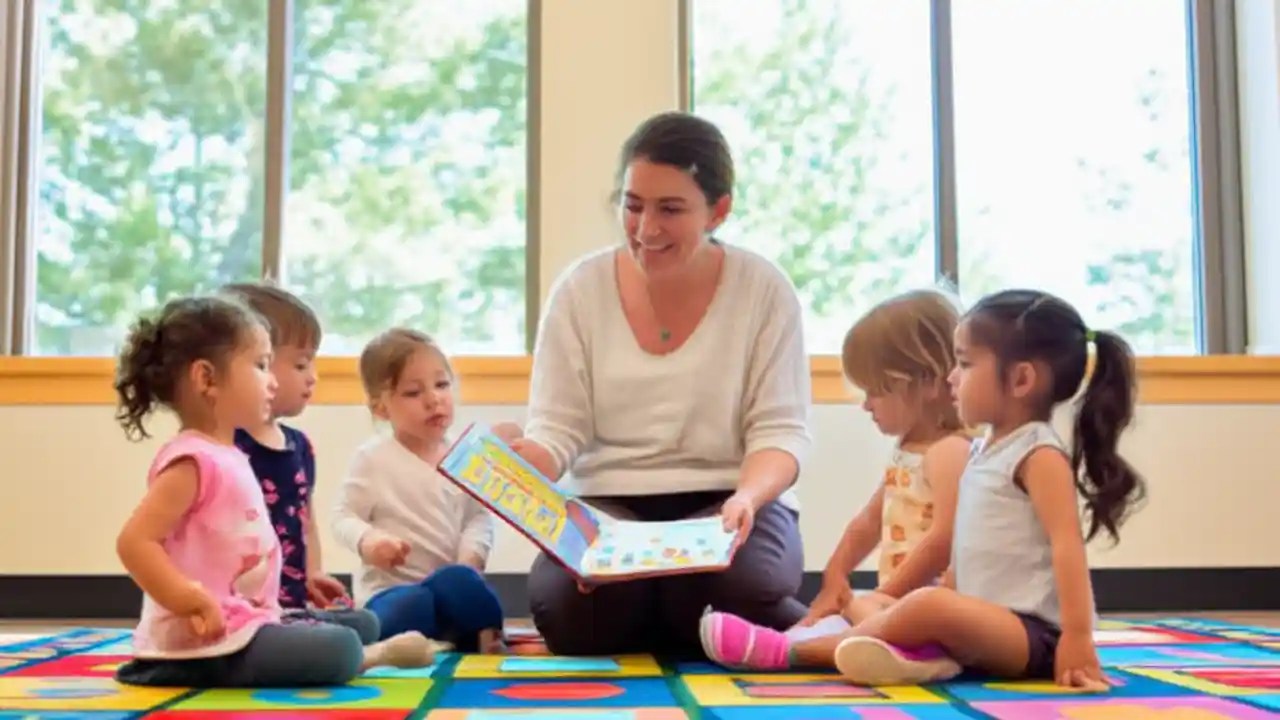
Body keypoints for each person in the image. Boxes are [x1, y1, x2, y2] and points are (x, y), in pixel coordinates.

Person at [701, 289, 1146, 692]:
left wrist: (1078, 637)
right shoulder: (987, 450)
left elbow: (1066, 546)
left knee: (926, 605)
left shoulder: (1038, 455)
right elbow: (972, 547)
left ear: (1022, 380)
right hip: (983, 620)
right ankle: (917, 659)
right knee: (881, 602)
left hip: (1032, 635)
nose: (952, 377)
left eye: (966, 365)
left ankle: (793, 652)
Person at [509, 111, 812, 656]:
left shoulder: (764, 289)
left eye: (670, 209)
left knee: (741, 584)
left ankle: (670, 609)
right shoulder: (579, 290)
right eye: (632, 205)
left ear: (719, 210)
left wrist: (747, 497)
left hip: (728, 500)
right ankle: (683, 617)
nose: (646, 229)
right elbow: (558, 429)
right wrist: (520, 461)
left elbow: (780, 432)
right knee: (567, 612)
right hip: (609, 506)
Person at [112, 296, 435, 688]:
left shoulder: (229, 452)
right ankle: (369, 657)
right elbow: (135, 542)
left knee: (362, 621)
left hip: (249, 618)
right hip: (203, 644)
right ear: (206, 379)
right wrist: (187, 599)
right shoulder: (192, 462)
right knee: (341, 647)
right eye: (261, 365)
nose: (272, 380)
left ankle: (346, 645)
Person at [707, 289, 972, 670]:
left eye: (877, 391)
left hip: (935, 603)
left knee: (859, 608)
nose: (866, 404)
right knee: (850, 609)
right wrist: (835, 574)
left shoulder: (950, 452)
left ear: (928, 383)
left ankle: (795, 652)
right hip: (900, 601)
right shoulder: (910, 451)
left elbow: (944, 539)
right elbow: (868, 522)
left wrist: (886, 595)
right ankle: (821, 641)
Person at [220, 282, 380, 645]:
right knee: (341, 645)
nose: (313, 376)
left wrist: (313, 574)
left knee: (366, 625)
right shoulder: (223, 446)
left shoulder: (299, 446)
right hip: (238, 613)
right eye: (301, 363)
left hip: (288, 607)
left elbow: (305, 522)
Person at [332, 328, 508, 653]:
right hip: (391, 589)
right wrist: (368, 540)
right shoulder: (373, 459)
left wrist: (472, 556)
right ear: (381, 408)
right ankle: (425, 639)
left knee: (462, 583)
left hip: (448, 582)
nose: (433, 399)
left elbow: (478, 517)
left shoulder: (464, 456)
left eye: (442, 385)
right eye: (413, 392)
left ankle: (485, 637)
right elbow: (344, 517)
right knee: (411, 605)